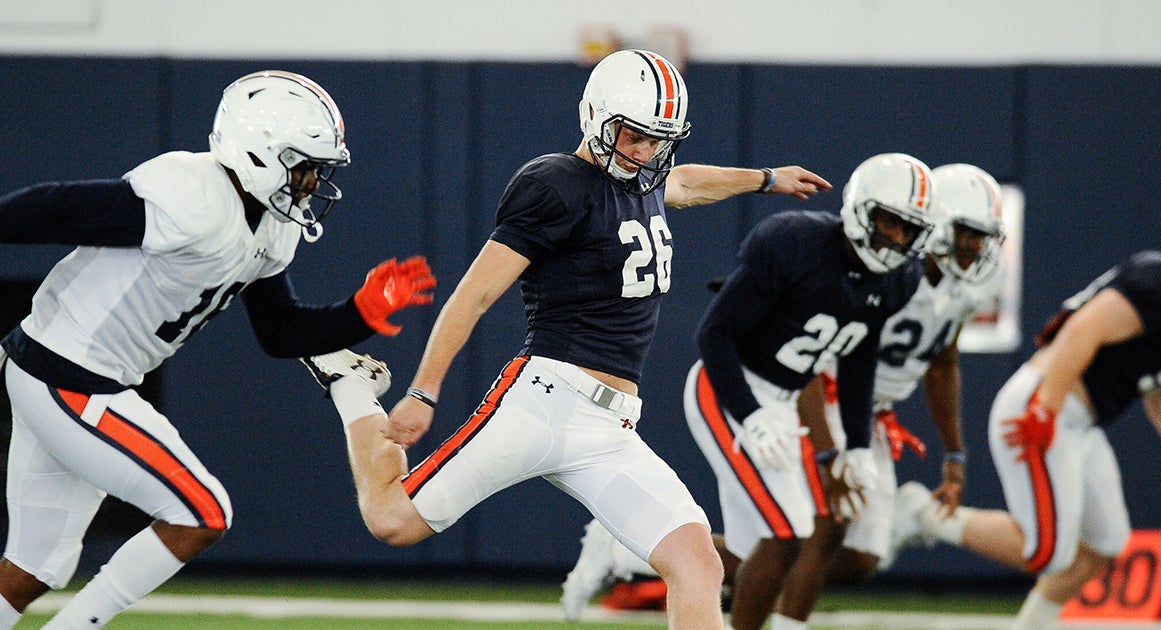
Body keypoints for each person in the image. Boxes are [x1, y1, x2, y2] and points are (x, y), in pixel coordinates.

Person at [297, 49, 832, 630]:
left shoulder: (647, 175)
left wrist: (765, 179)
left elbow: (685, 181)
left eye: (658, 139)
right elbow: (474, 295)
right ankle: (352, 388)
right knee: (391, 521)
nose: (645, 152)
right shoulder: (555, 183)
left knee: (696, 562)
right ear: (596, 117)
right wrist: (424, 392)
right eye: (633, 136)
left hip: (611, 427)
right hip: (546, 400)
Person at [0, 70, 435, 629]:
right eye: (303, 167)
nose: (311, 183)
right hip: (69, 376)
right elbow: (59, 208)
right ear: (260, 153)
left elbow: (280, 332)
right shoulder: (193, 195)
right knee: (201, 512)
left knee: (36, 565)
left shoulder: (270, 225)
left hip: (63, 372)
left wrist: (359, 313)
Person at [557, 152, 937, 630]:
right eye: (889, 222)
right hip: (727, 388)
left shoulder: (900, 278)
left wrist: (858, 445)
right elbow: (714, 334)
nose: (897, 238)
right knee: (787, 534)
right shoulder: (795, 242)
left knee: (759, 546)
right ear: (862, 210)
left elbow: (859, 359)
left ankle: (619, 552)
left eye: (909, 229)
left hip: (782, 400)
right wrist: (751, 415)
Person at [889, 202, 1161, 629]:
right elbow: (1082, 330)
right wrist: (1045, 410)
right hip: (1044, 408)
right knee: (1047, 553)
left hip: (1077, 421)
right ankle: (923, 514)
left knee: (1104, 545)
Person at [770, 163, 1007, 629]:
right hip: (824, 392)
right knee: (828, 523)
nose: (977, 248)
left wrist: (955, 453)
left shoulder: (967, 288)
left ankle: (702, 562)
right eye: (969, 233)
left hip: (871, 413)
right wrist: (827, 448)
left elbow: (943, 364)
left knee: (860, 559)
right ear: (940, 223)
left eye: (984, 237)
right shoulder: (889, 269)